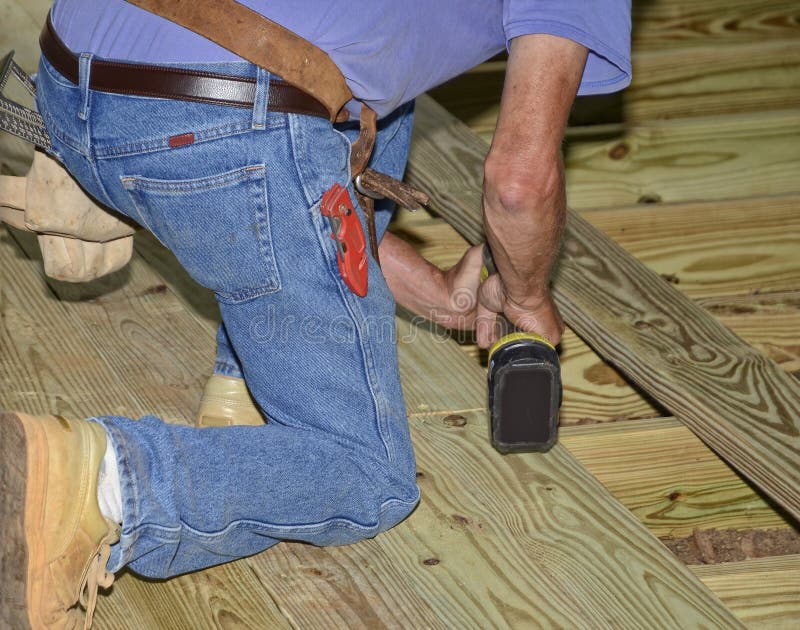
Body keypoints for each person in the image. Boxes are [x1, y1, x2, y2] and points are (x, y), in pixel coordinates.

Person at [0, 1, 631, 627]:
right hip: (206, 124)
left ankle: (245, 387)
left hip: (69, 76)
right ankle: (95, 480)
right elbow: (520, 185)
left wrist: (436, 289)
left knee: (378, 88)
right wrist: (524, 297)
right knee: (366, 471)